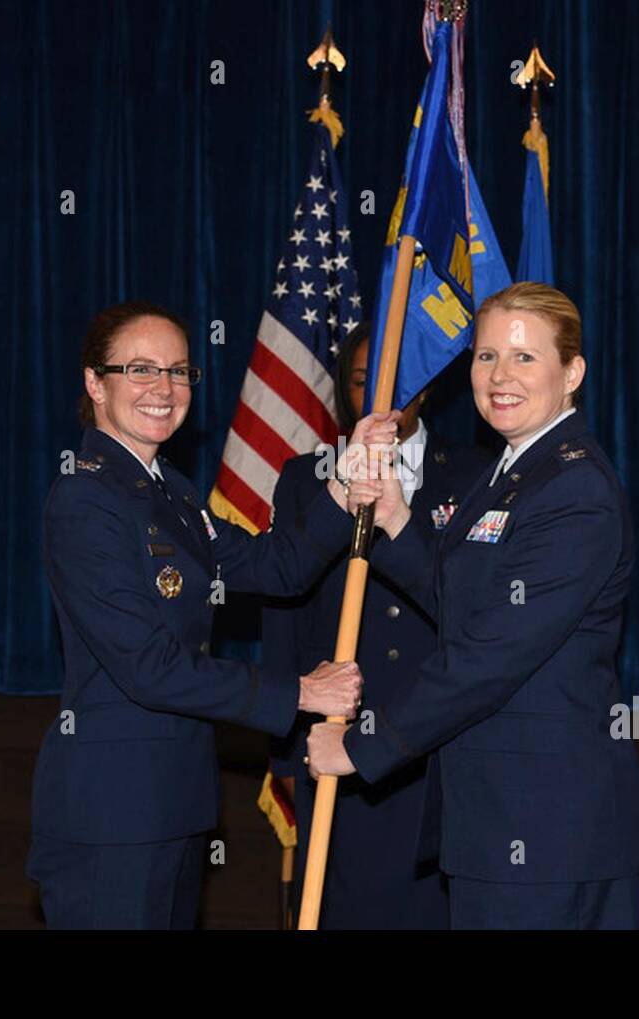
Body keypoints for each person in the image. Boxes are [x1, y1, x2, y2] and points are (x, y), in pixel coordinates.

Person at [26, 300, 395, 929]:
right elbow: (149, 668)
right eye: (140, 370)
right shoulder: (86, 499)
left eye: (178, 372)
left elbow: (276, 567)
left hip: (172, 803)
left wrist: (345, 479)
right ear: (95, 382)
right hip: (113, 815)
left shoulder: (168, 488)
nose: (163, 390)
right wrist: (299, 691)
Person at [307, 282, 639, 930]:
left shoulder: (574, 486)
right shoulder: (515, 469)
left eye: (524, 357)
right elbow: (466, 598)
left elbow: (489, 653)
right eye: (486, 356)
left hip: (547, 834)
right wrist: (397, 519)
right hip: (496, 825)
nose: (499, 376)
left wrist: (361, 745)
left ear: (572, 371)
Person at [265, 324, 489, 929]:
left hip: (434, 738)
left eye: (399, 380)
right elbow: (286, 607)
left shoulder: (478, 477)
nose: (384, 397)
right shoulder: (308, 479)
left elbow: (482, 613)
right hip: (337, 736)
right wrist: (288, 745)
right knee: (345, 903)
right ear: (346, 391)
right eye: (365, 382)